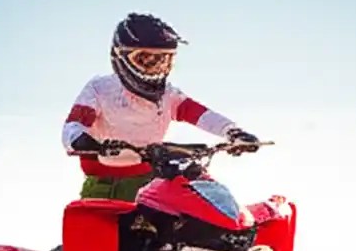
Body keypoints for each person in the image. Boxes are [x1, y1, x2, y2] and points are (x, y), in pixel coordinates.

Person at [61, 12, 258, 202]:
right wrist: (85, 143)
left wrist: (232, 132)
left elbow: (200, 114)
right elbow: (73, 126)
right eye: (146, 60)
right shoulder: (100, 89)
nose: (156, 70)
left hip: (153, 178)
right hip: (107, 185)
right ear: (121, 56)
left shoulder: (168, 95)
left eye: (163, 61)